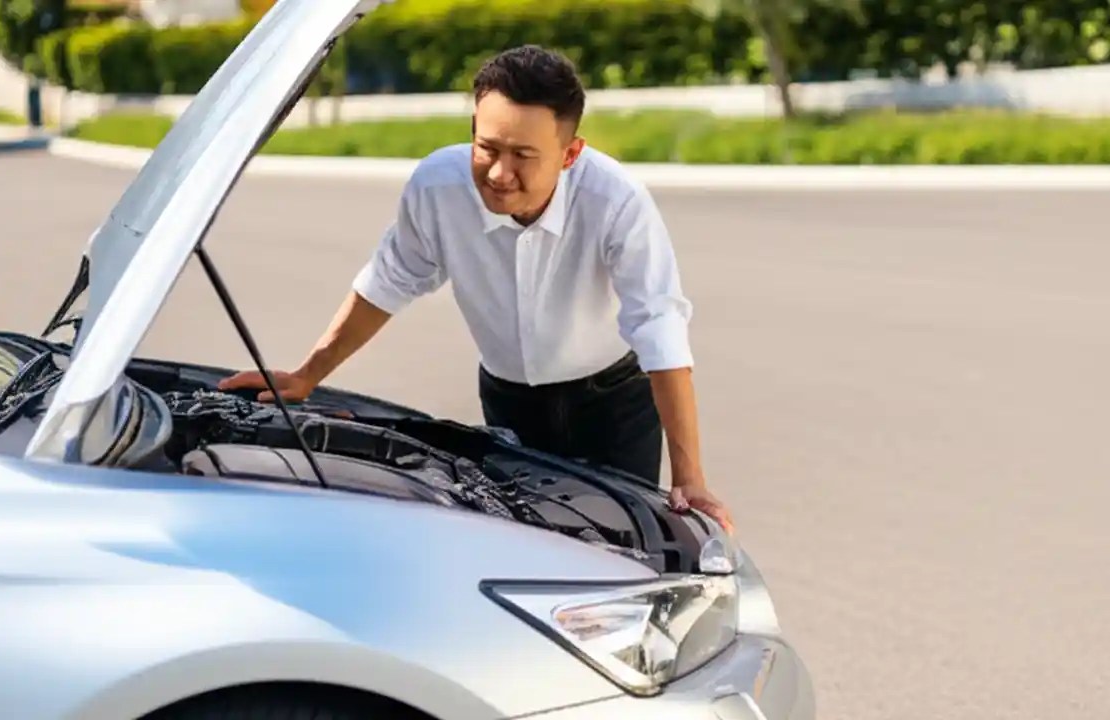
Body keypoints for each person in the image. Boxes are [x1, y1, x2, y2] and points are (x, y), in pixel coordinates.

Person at [218, 45, 734, 533]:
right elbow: (388, 282)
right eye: (487, 147)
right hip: (509, 400)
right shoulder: (438, 188)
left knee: (617, 554)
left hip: (614, 406)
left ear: (570, 153)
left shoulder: (616, 203)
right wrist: (309, 374)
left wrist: (690, 478)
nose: (499, 172)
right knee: (522, 542)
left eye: (524, 155)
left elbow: (658, 327)